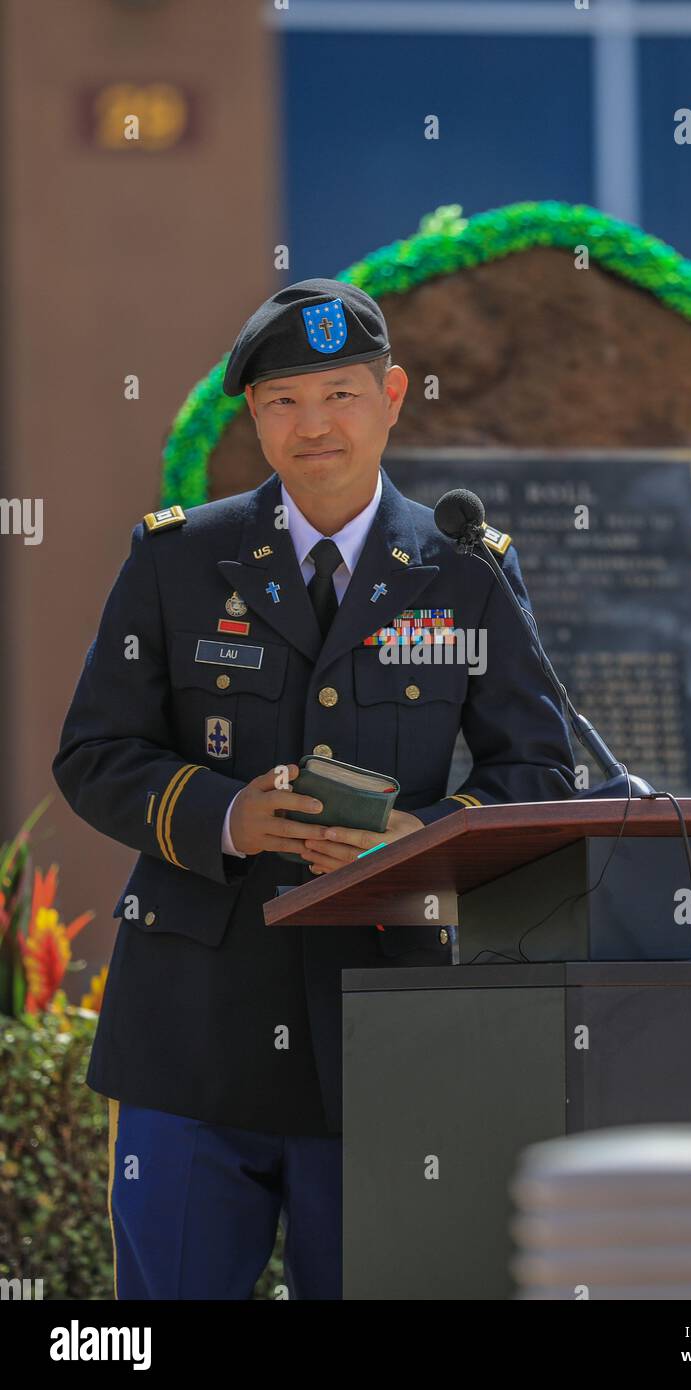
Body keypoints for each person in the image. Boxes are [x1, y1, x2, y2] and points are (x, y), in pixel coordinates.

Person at [52, 277, 576, 1301]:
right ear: (253, 417)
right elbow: (94, 752)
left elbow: (536, 772)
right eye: (282, 401)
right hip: (193, 1031)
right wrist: (226, 814)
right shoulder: (179, 558)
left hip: (384, 1030)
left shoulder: (463, 569)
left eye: (338, 394)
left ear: (391, 395)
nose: (313, 425)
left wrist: (417, 838)